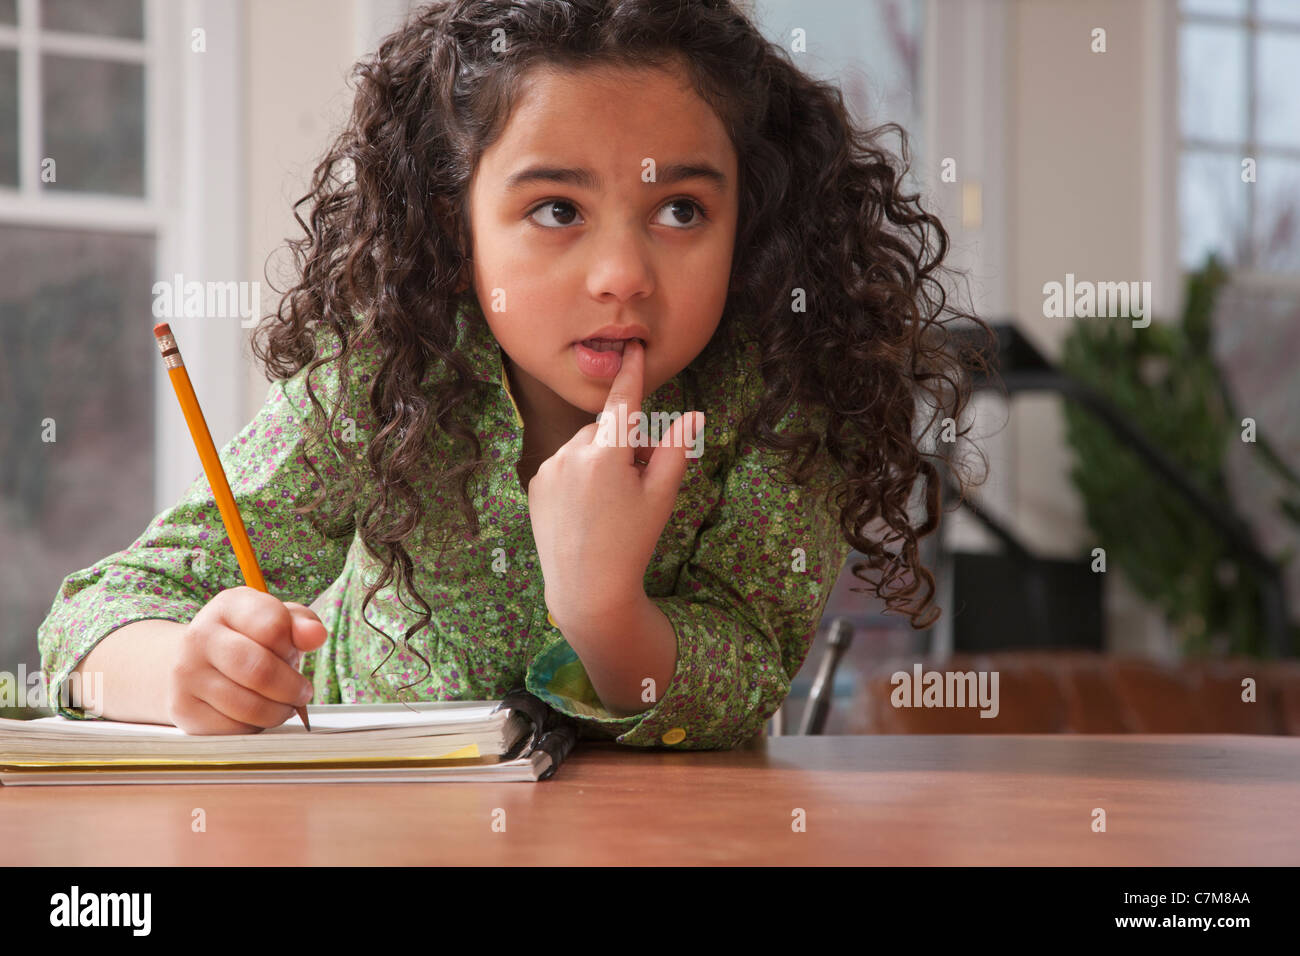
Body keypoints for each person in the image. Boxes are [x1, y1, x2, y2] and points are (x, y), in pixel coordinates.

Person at [37, 0, 992, 749]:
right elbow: (105, 610)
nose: (622, 275)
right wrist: (178, 671)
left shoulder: (779, 395)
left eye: (682, 212)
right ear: (456, 234)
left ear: (755, 227)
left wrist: (602, 608)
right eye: (556, 211)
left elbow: (740, 685)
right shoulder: (385, 380)